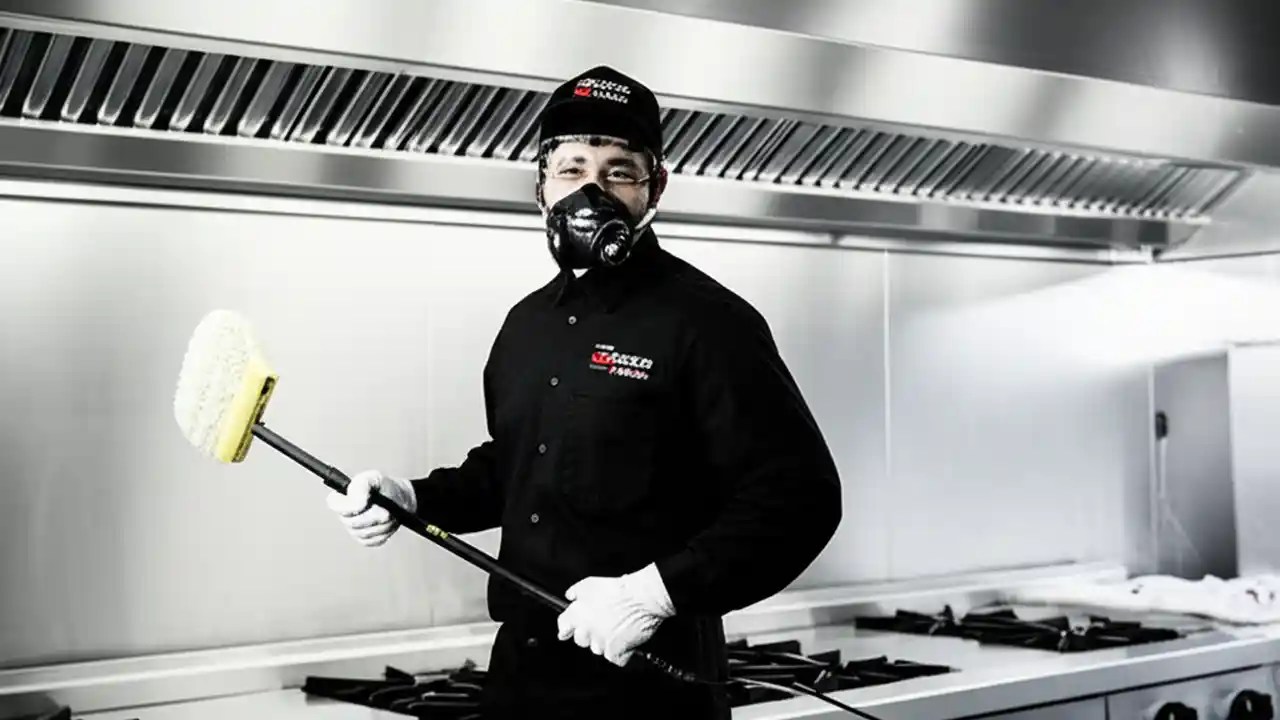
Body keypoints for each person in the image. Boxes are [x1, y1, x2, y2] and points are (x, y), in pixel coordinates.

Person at [326, 65, 842, 719]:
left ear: (655, 187)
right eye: (571, 169)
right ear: (539, 187)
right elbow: (518, 467)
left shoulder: (710, 322)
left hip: (652, 689)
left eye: (618, 171)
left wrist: (656, 592)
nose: (591, 191)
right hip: (519, 683)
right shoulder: (525, 326)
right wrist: (414, 497)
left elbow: (799, 497)